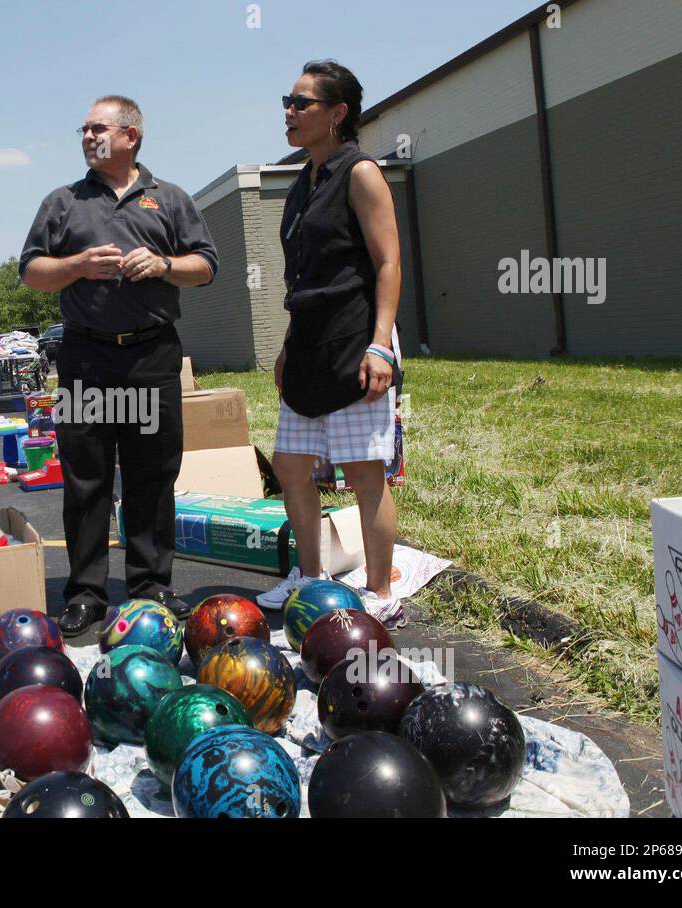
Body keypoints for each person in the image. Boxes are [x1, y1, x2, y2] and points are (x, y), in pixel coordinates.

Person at [20, 95, 218, 635]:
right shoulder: (62, 202)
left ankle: (151, 586)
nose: (87, 136)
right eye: (82, 129)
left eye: (98, 128)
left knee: (152, 475)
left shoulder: (170, 199)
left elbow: (205, 266)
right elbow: (33, 272)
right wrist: (78, 264)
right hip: (86, 356)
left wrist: (164, 264)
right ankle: (84, 593)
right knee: (87, 477)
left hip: (151, 356)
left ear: (131, 136)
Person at [257, 60, 406, 627]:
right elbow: (304, 279)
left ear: (337, 113)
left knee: (364, 470)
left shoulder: (360, 172)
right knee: (291, 465)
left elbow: (388, 262)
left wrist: (381, 345)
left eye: (302, 103)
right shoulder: (302, 182)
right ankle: (312, 577)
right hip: (310, 343)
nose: (289, 113)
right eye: (287, 103)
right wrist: (288, 346)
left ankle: (378, 592)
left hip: (355, 339)